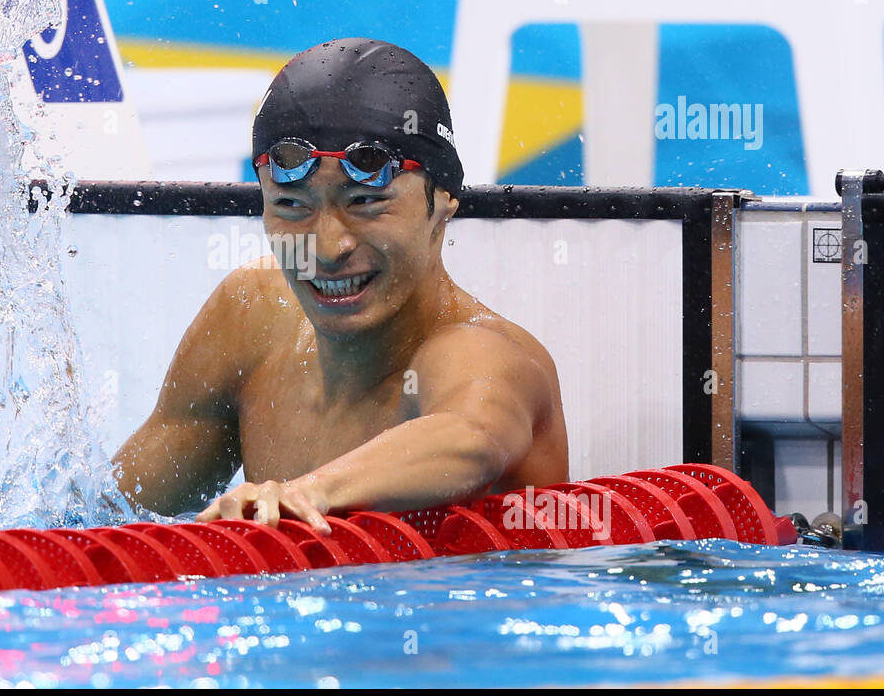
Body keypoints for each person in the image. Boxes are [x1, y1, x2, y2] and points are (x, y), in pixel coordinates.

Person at [112, 37, 568, 534]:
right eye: (292, 206)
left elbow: (473, 434)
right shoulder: (252, 318)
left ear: (442, 200)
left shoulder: (482, 351)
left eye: (364, 203)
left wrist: (307, 492)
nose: (326, 248)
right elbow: (111, 510)